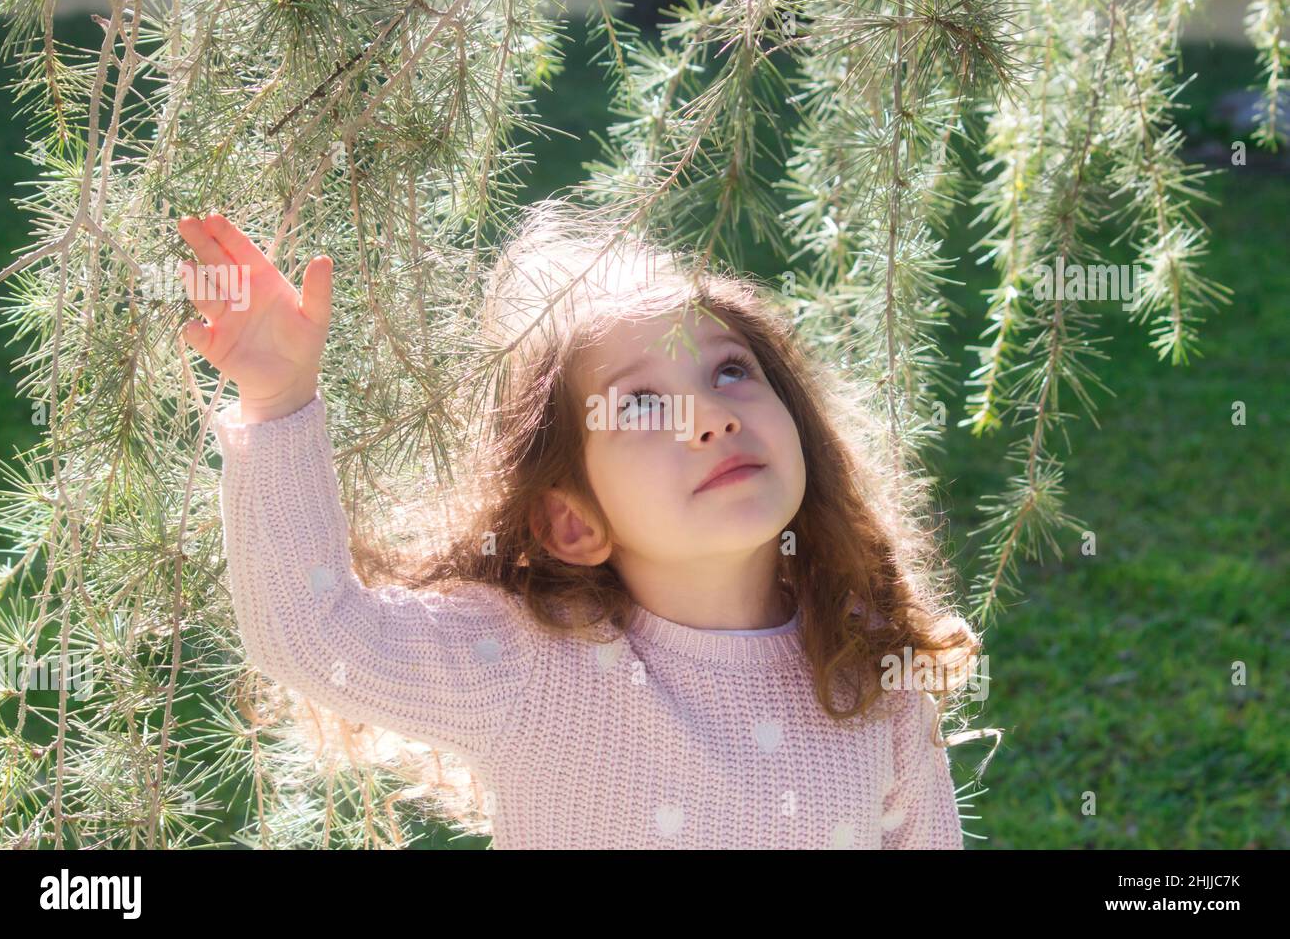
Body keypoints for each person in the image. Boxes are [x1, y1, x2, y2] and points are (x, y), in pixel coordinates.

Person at [178, 200, 981, 849]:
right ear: (571, 521)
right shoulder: (531, 664)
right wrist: (279, 402)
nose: (709, 416)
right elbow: (314, 635)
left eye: (731, 370)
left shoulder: (868, 667)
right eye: (641, 404)